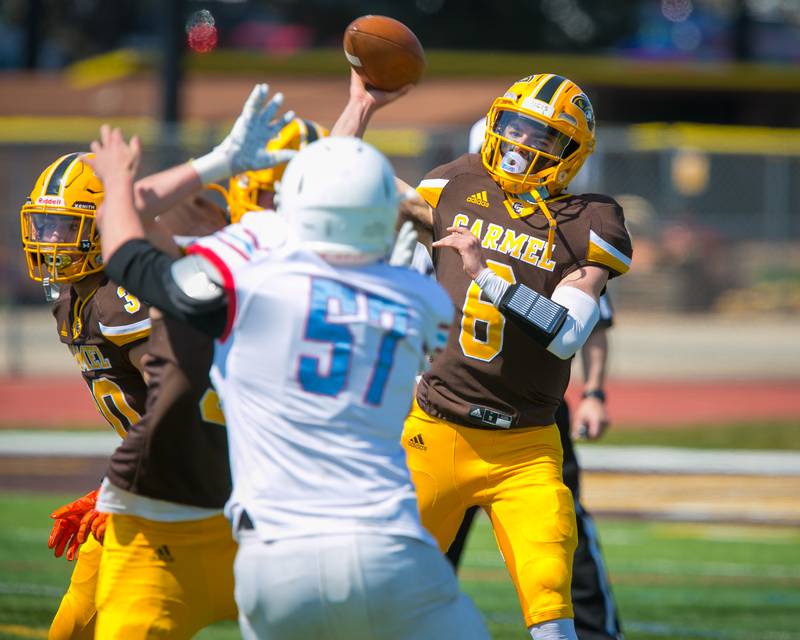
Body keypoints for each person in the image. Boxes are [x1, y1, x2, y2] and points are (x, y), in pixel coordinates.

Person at [87, 125, 489, 640]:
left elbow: (125, 249)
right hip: (391, 546)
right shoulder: (417, 298)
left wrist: (122, 182)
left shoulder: (251, 282)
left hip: (275, 557)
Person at [337, 71, 633, 640]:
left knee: (551, 598)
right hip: (435, 430)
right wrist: (361, 107)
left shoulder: (589, 220)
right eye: (517, 126)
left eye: (543, 136)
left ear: (570, 152)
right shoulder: (457, 182)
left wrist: (487, 278)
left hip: (525, 445)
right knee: (371, 596)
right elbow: (341, 179)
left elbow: (569, 333)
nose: (523, 144)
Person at [20, 83, 295, 640]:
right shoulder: (75, 298)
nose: (52, 242)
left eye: (66, 228)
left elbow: (180, 394)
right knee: (76, 621)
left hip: (178, 485)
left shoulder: (119, 296)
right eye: (45, 227)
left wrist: (121, 484)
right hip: (146, 478)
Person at [93, 112, 320, 639]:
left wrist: (215, 161)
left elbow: (122, 218)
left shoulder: (209, 270)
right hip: (260, 507)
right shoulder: (356, 280)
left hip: (194, 502)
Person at [441, 120, 625, 640]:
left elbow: (583, 328)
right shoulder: (446, 206)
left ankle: (596, 633)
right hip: (446, 409)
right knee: (413, 560)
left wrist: (593, 392)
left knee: (561, 552)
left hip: (529, 417)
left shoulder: (569, 229)